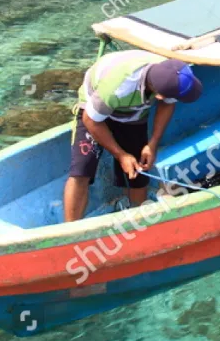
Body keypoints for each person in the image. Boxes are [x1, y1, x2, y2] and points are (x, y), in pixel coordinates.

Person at [64, 51, 203, 222]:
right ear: (159, 95)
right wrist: (121, 155)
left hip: (132, 112)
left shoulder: (170, 74)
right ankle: (71, 227)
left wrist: (152, 144)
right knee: (81, 171)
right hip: (94, 107)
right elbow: (91, 120)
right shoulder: (117, 88)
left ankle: (137, 218)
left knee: (138, 171)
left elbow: (167, 105)